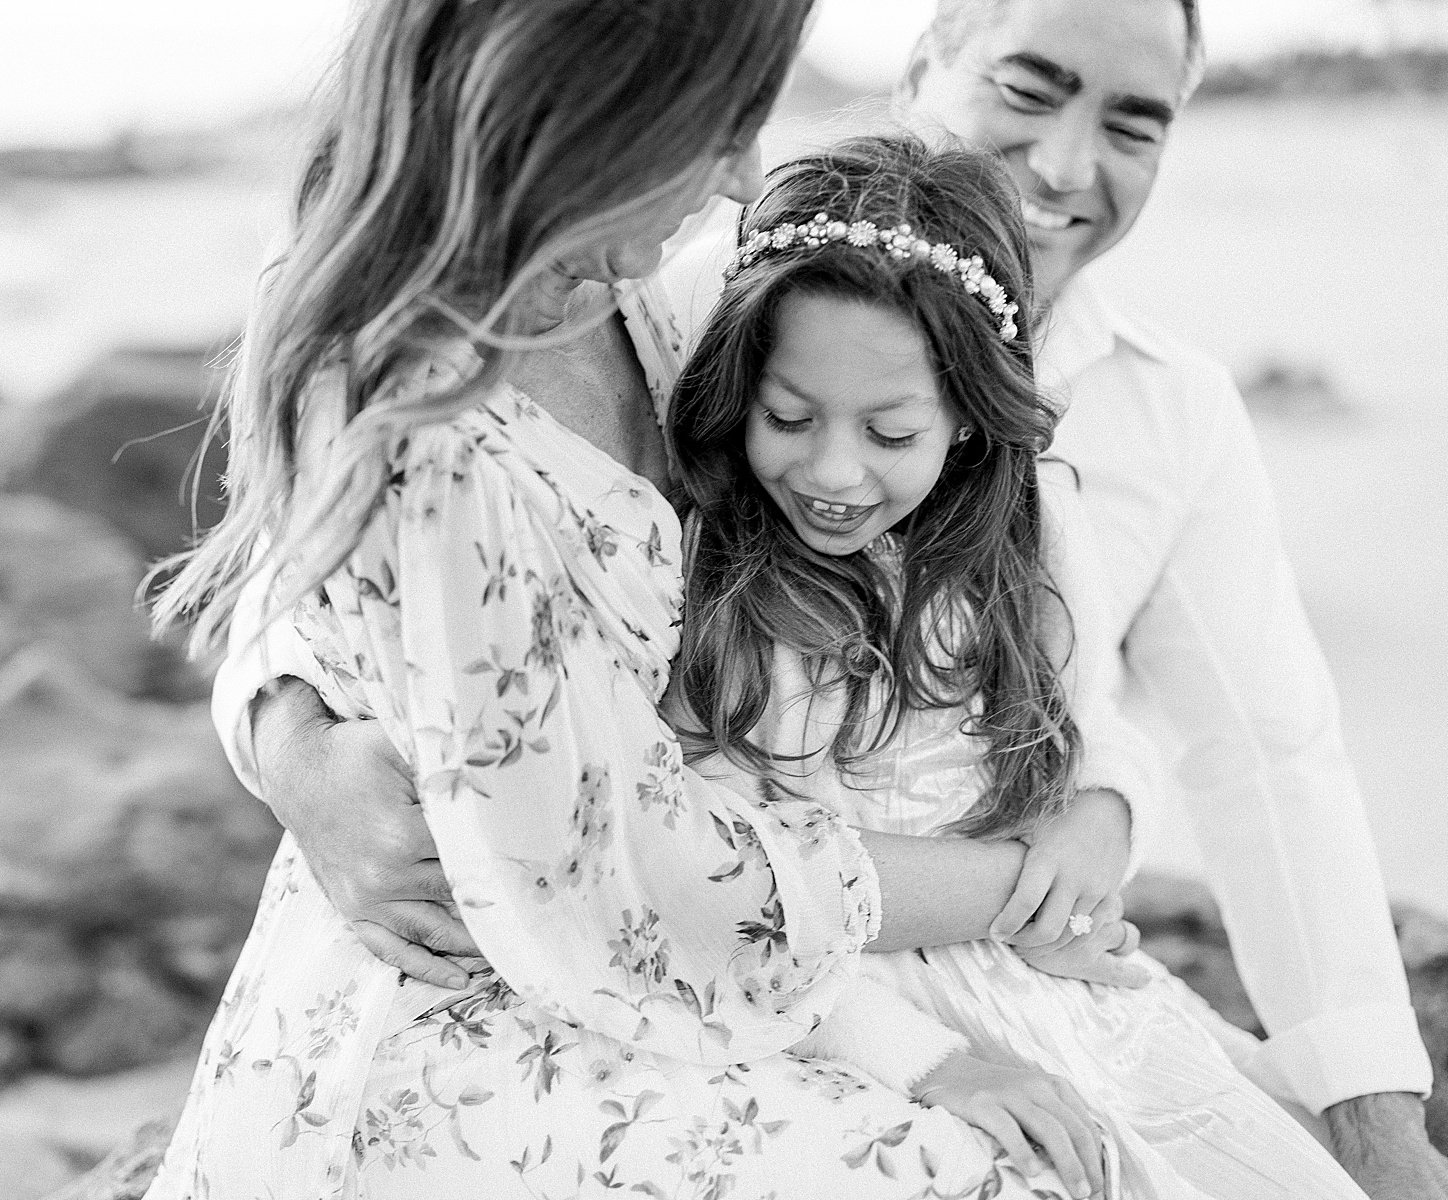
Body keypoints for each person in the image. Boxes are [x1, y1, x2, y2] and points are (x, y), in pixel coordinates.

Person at [144, 3, 1117, 1197]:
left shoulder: (625, 285)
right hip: (485, 996)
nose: (744, 176)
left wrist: (278, 726)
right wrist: (1016, 887)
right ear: (593, 106)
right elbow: (622, 871)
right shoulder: (433, 429)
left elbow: (290, 595)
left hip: (660, 952)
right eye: (719, 128)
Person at [652, 0, 1443, 1195]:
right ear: (929, 58)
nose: (1066, 165)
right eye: (1029, 90)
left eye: (1132, 123)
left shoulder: (1161, 419)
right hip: (797, 988)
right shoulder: (697, 316)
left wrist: (1106, 812)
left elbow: (1264, 751)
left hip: (1032, 980)